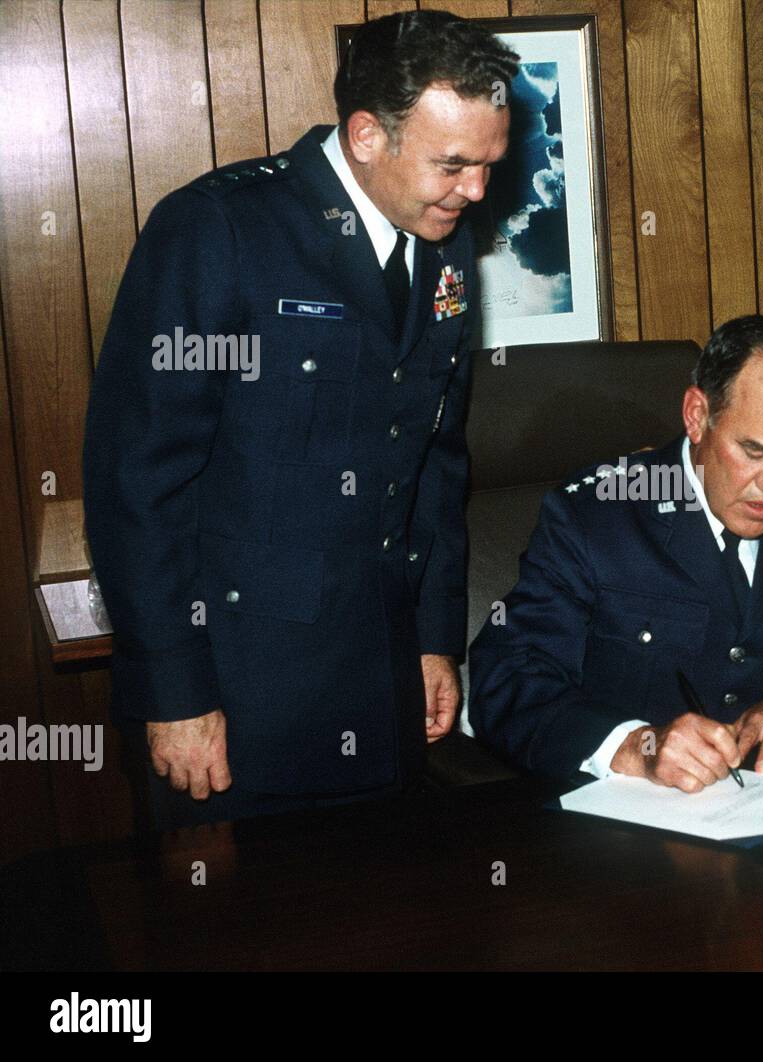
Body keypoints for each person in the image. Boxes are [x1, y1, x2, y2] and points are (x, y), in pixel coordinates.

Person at [82, 11, 517, 826]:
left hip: (382, 687)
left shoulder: (446, 244)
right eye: (453, 164)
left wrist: (433, 638)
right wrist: (173, 691)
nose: (477, 191)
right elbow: (137, 481)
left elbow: (436, 458)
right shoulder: (220, 231)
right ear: (365, 137)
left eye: (488, 162)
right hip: (239, 698)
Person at [468, 316, 763, 790]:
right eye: (754, 451)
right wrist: (635, 746)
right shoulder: (596, 520)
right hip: (622, 829)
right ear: (697, 416)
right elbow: (505, 681)